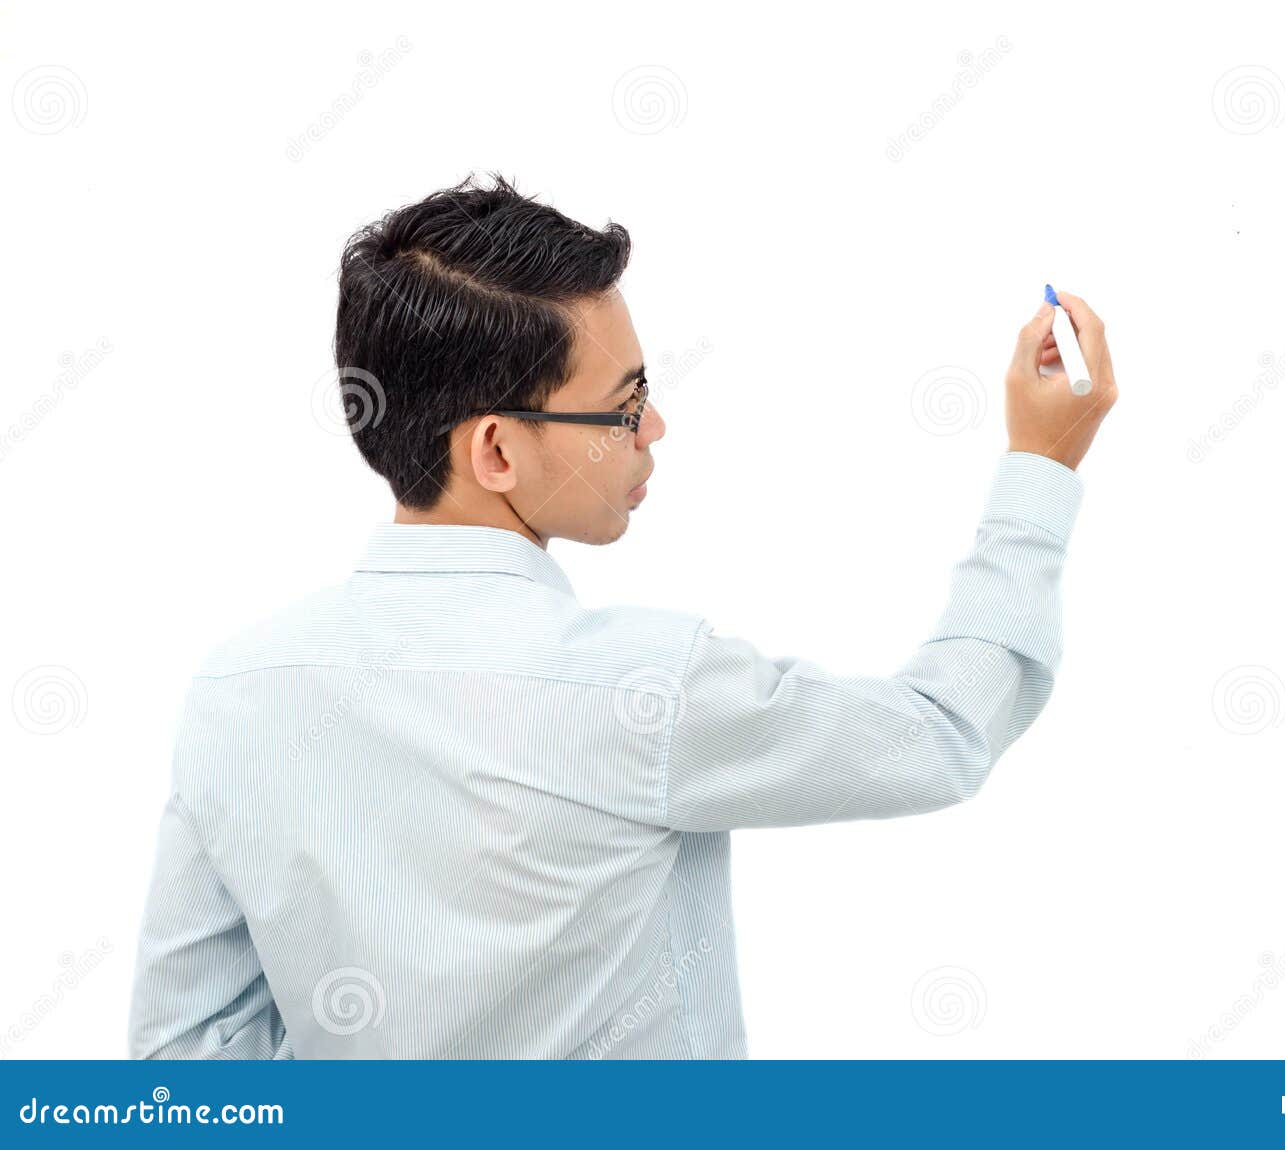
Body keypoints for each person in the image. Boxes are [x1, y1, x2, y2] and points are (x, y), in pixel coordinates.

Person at [127, 174, 1118, 1059]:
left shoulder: (232, 693)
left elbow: (181, 1066)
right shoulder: (644, 687)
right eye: (622, 404)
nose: (652, 428)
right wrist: (1041, 464)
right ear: (498, 453)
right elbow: (942, 733)